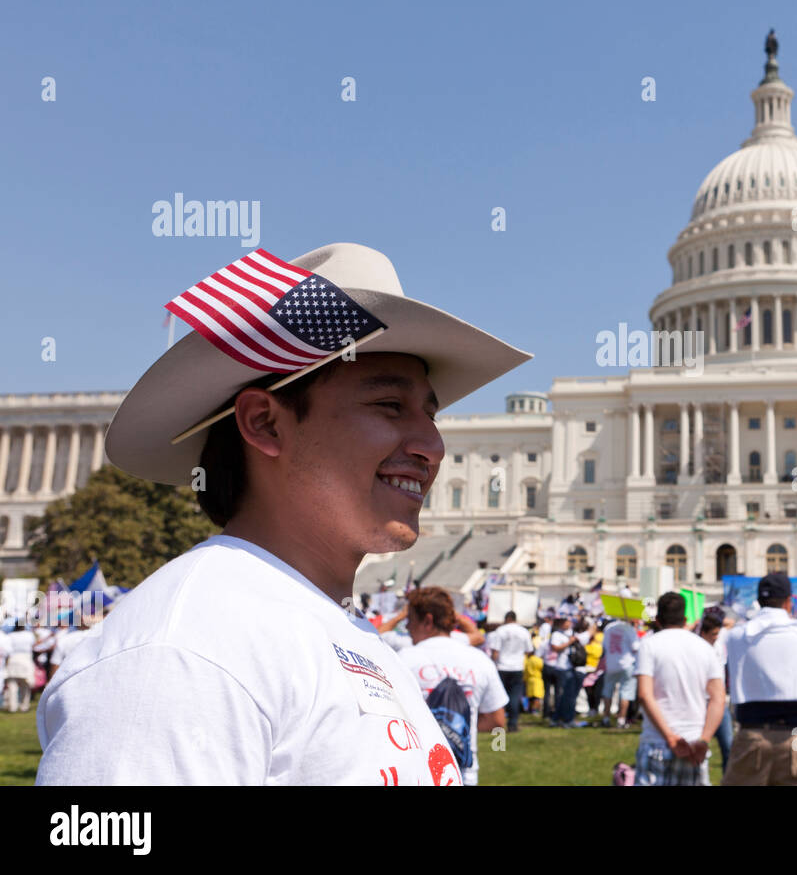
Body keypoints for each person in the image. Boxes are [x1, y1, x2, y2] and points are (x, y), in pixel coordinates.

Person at [35, 243, 529, 784]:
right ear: (265, 424)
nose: (432, 447)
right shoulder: (181, 654)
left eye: (429, 414)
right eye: (390, 405)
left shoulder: (347, 636)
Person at [721, 572, 797, 786]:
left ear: (759, 601)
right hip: (796, 730)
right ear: (789, 601)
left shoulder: (737, 636)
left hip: (752, 729)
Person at [398, 587, 508, 785]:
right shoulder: (479, 660)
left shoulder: (403, 660)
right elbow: (497, 721)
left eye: (410, 619)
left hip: (417, 771)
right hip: (461, 772)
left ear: (427, 620)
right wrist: (458, 726)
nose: (406, 626)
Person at [633, 593, 725, 786]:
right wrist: (705, 739)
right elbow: (718, 698)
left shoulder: (649, 645)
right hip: (693, 742)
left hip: (656, 742)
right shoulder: (704, 647)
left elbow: (644, 694)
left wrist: (669, 736)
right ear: (685, 619)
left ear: (657, 620)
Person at [698, 613, 734, 769]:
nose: (716, 637)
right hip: (700, 703)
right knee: (698, 746)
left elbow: (730, 622)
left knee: (729, 746)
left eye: (717, 633)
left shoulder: (719, 645)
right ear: (703, 633)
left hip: (719, 703)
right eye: (713, 634)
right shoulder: (695, 648)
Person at [489, 610, 533, 732]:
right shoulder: (523, 631)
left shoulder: (500, 631)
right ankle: (513, 723)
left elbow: (495, 652)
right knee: (514, 696)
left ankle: (499, 723)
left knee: (499, 697)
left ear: (507, 619)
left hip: (502, 667)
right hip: (517, 666)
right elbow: (529, 650)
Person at [600, 615, 640, 728]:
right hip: (626, 664)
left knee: (607, 691)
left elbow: (604, 645)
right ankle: (621, 720)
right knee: (626, 692)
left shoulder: (609, 627)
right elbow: (636, 647)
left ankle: (606, 718)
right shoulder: (629, 629)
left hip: (610, 663)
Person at [3, 620, 36, 714]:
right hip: (25, 659)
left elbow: (7, 650)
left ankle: (12, 707)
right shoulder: (29, 635)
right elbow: (33, 646)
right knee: (25, 684)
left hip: (12, 660)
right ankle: (24, 706)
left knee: (12, 685)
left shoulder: (10, 636)